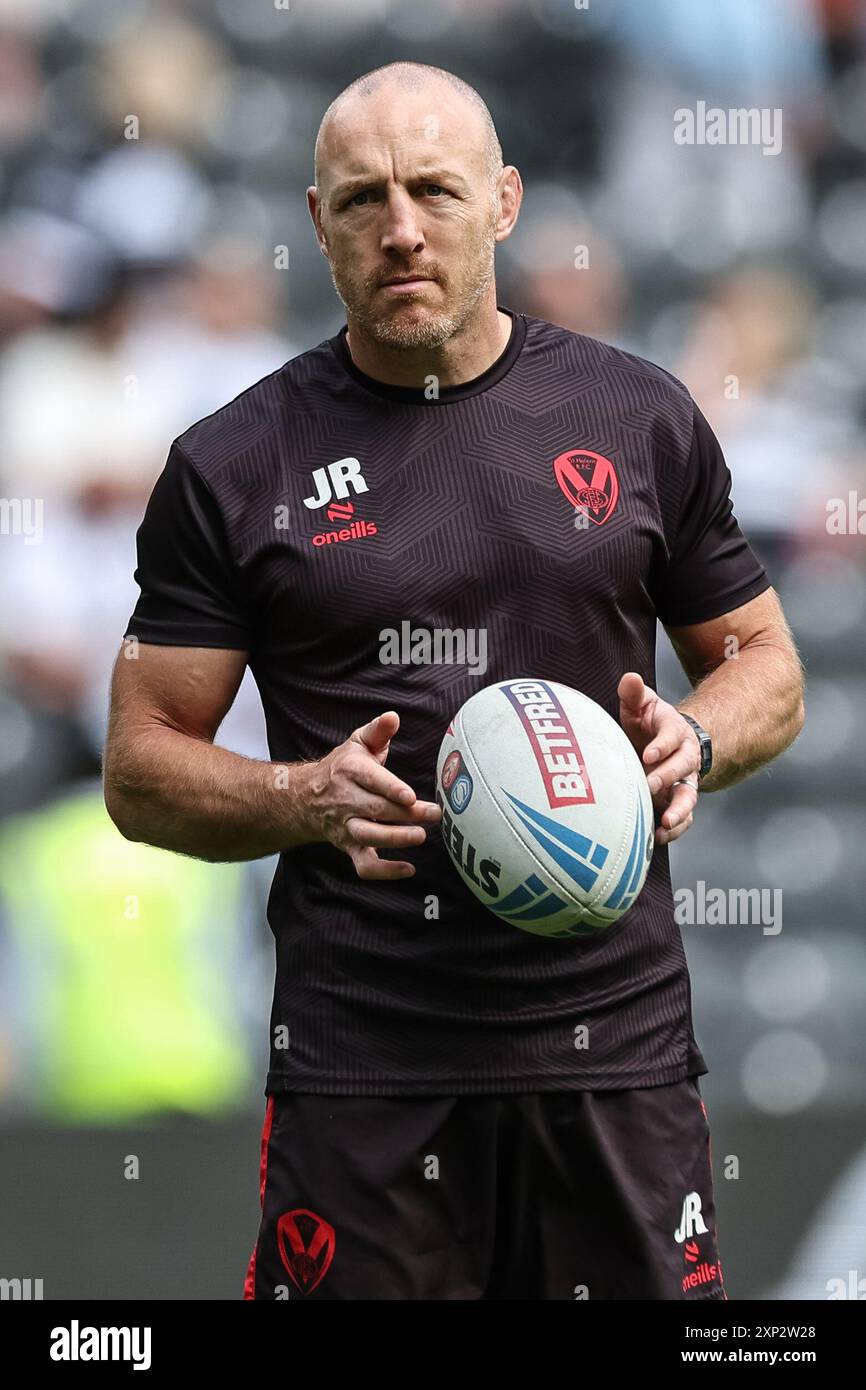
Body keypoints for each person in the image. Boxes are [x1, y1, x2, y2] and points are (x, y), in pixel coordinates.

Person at [104, 61, 805, 1301]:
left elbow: (765, 667)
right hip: (362, 1066)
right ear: (318, 222)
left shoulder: (634, 414)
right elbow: (141, 765)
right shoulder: (229, 464)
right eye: (363, 198)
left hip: (614, 1053)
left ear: (504, 202)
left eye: (433, 188)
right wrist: (299, 797)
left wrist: (692, 743)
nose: (402, 228)